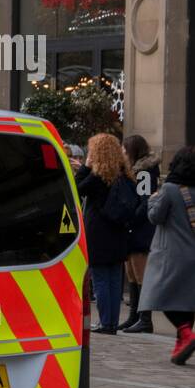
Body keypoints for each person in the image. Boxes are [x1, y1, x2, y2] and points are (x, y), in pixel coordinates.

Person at [138, 146, 195, 364]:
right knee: (187, 301)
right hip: (192, 252)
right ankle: (182, 345)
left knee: (160, 297)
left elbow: (155, 216)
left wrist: (152, 198)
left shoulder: (170, 189)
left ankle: (186, 334)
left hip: (171, 253)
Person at [75, 133, 135, 335]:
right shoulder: (125, 175)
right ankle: (111, 322)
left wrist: (85, 166)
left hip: (98, 232)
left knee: (100, 279)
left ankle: (105, 323)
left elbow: (76, 189)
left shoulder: (97, 177)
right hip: (118, 231)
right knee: (114, 279)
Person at [120, 134, 161, 332]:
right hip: (132, 226)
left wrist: (131, 218)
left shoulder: (145, 171)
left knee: (140, 272)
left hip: (140, 227)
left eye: (124, 149)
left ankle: (145, 319)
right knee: (131, 272)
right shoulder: (133, 170)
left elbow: (144, 200)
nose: (122, 152)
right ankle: (134, 315)